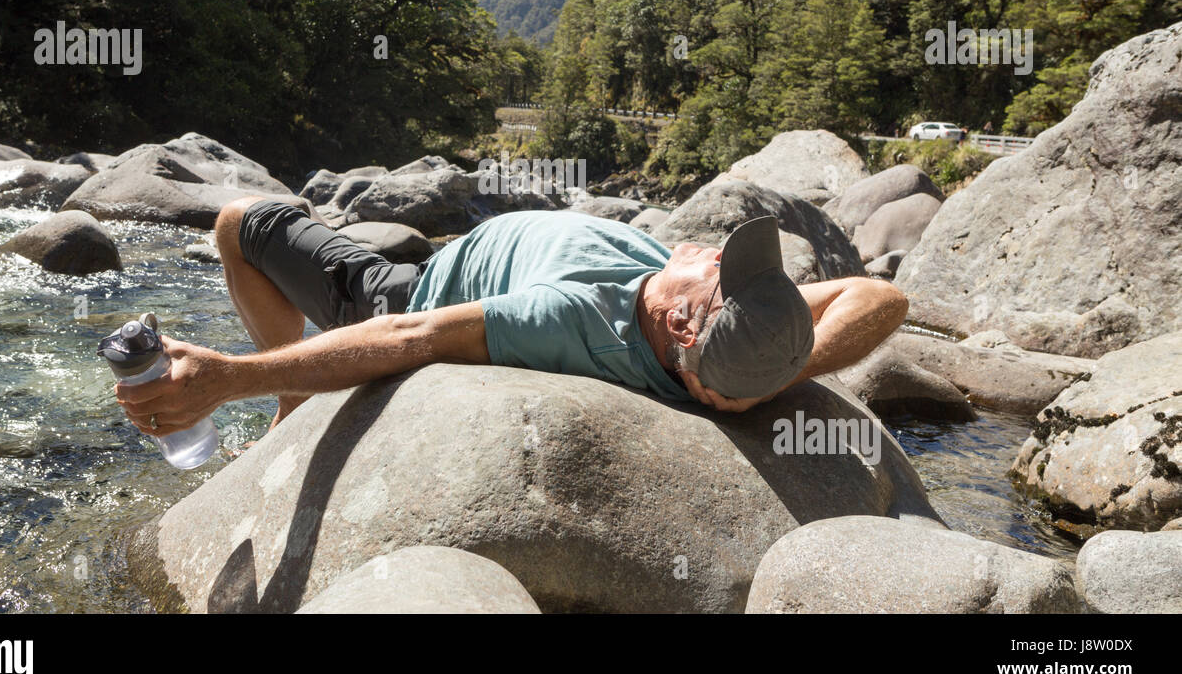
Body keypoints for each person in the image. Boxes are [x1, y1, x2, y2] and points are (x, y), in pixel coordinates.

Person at [115, 201, 908, 437]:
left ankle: (293, 413)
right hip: (475, 269)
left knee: (237, 225)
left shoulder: (572, 321)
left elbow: (412, 337)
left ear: (680, 324)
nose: (705, 249)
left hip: (413, 290)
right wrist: (784, 370)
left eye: (715, 271)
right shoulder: (749, 335)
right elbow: (883, 298)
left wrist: (232, 379)